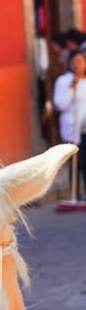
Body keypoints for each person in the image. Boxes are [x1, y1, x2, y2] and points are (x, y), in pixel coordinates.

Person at [53, 49, 86, 198]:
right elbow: (61, 105)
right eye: (73, 62)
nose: (76, 65)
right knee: (76, 163)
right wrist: (72, 87)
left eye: (80, 61)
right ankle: (75, 194)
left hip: (84, 127)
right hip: (72, 129)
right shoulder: (63, 81)